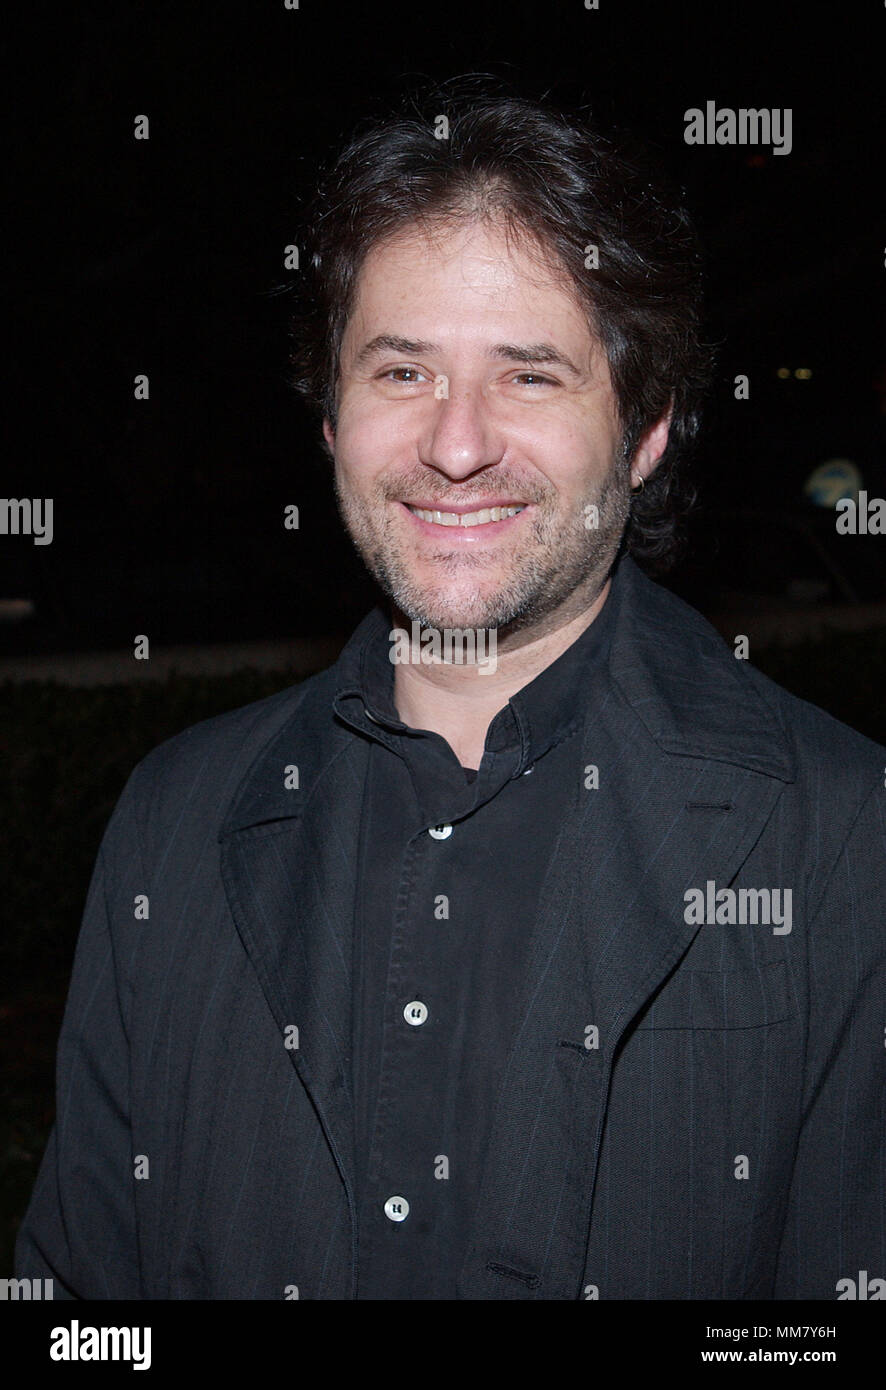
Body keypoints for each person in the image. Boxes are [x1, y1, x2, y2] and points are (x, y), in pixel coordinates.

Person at [16, 83, 886, 1300]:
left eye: (529, 375)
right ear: (330, 420)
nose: (457, 442)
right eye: (402, 370)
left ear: (643, 430)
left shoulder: (843, 837)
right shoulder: (172, 822)